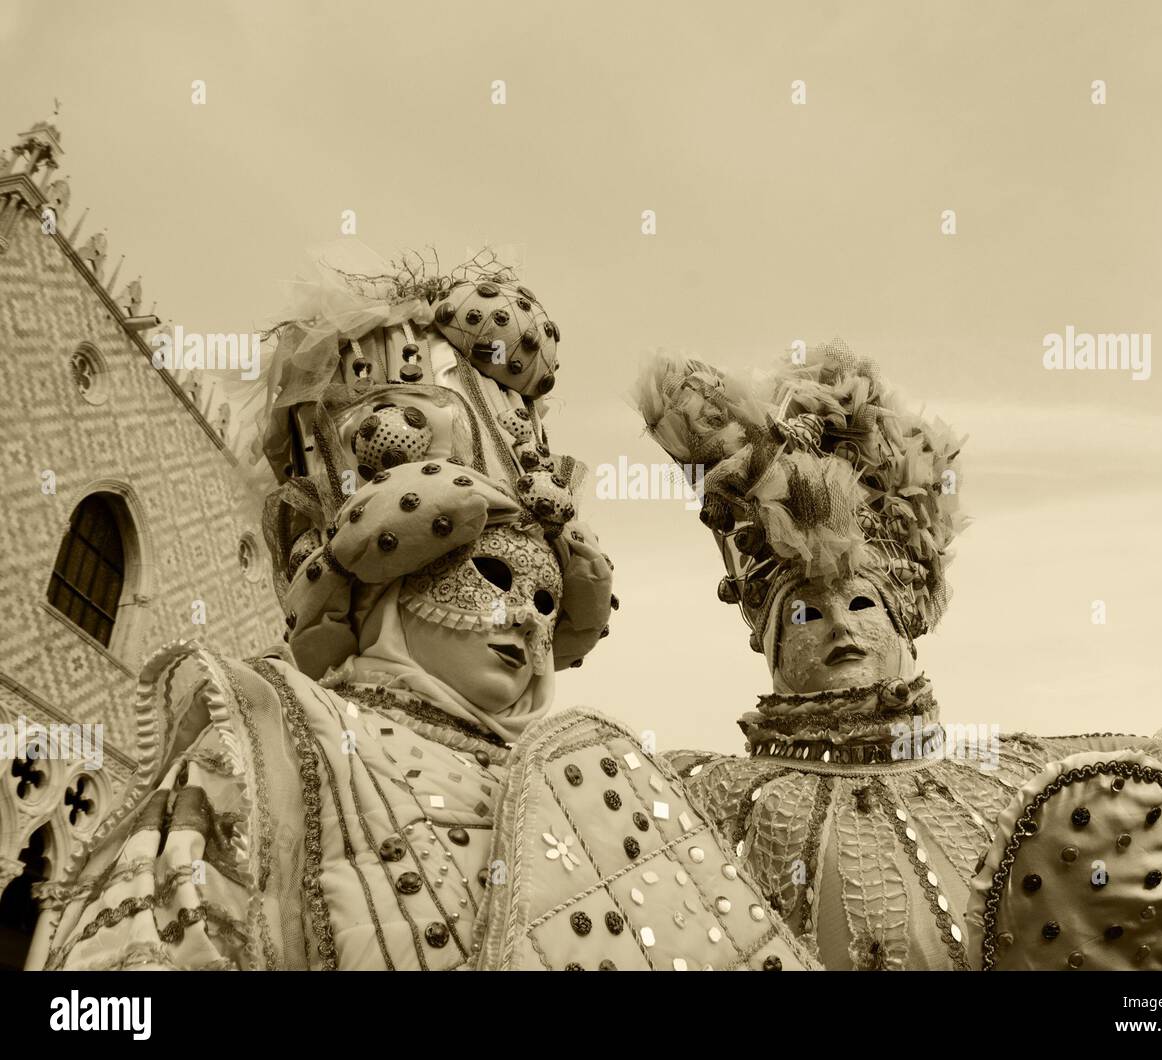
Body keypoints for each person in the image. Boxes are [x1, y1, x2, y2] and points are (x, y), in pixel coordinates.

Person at [28, 251, 812, 972]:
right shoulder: (265, 740)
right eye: (493, 574)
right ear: (391, 583)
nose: (529, 619)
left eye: (546, 599)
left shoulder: (597, 787)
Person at [635, 340, 1162, 971]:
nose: (840, 624)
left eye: (863, 605)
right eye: (805, 613)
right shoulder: (706, 807)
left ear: (906, 627)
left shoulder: (1022, 788)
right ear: (770, 641)